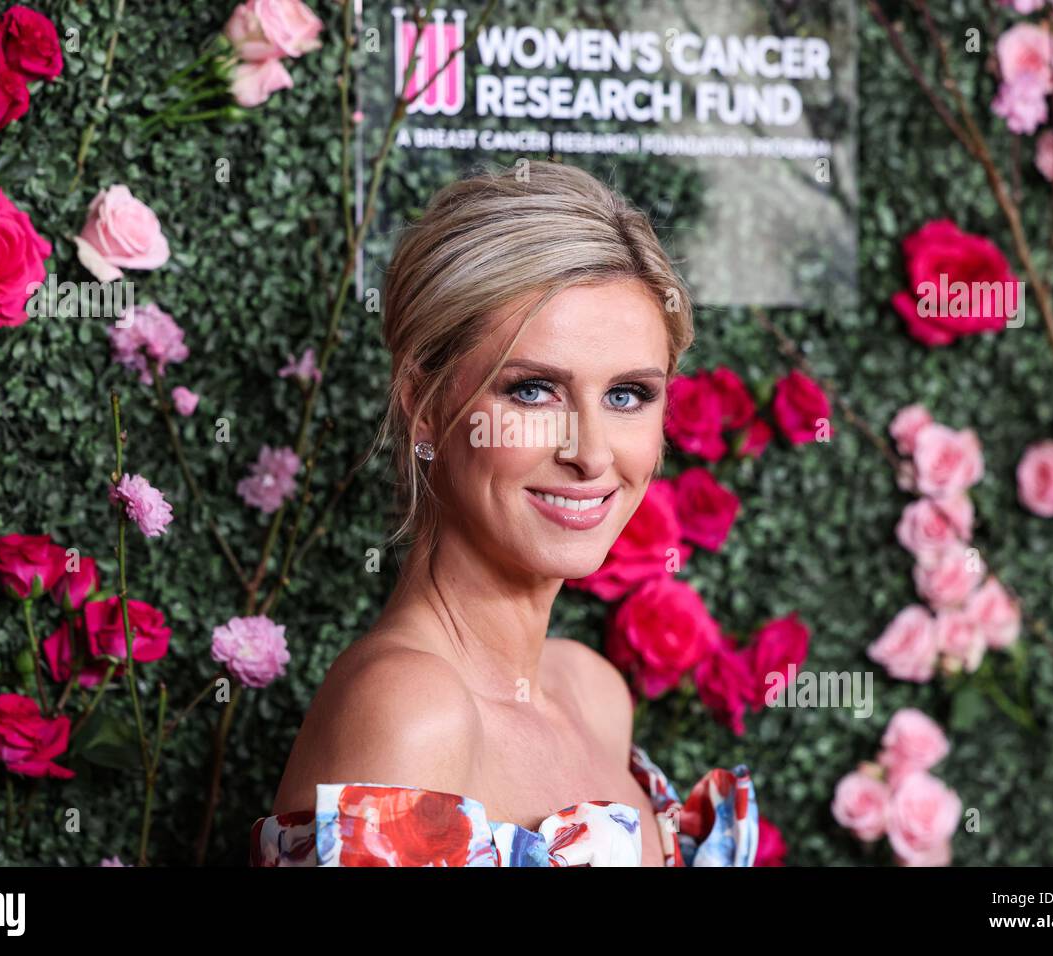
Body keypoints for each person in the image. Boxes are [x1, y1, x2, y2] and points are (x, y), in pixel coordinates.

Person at [252, 160, 758, 866]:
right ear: (423, 407)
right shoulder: (410, 710)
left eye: (627, 395)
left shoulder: (592, 691)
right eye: (533, 391)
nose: (589, 454)